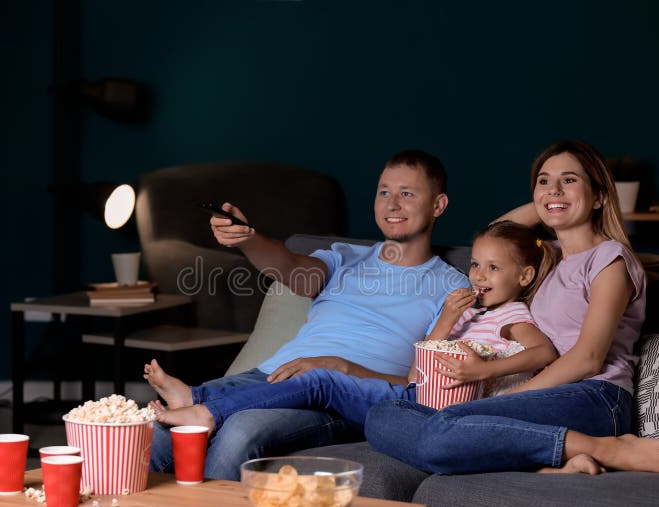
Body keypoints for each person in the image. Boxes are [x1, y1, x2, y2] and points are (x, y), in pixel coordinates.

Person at [365, 140, 659, 476]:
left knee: (447, 427)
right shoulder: (549, 261)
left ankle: (602, 446)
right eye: (544, 181)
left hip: (596, 396)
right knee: (381, 416)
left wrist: (503, 400)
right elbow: (495, 235)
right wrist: (550, 202)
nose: (554, 189)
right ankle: (555, 458)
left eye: (570, 180)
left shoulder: (610, 260)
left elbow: (588, 358)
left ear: (601, 195)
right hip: (549, 396)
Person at [148, 149, 470, 481]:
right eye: (384, 192)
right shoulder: (346, 257)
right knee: (155, 429)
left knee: (242, 430)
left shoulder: (452, 289)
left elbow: (417, 387)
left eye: (407, 194)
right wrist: (249, 238)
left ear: (438, 205)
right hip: (271, 376)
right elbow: (289, 267)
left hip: (337, 399)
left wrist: (338, 366)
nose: (392, 204)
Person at [144, 220, 559, 433]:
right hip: (419, 392)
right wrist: (449, 319)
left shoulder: (511, 317)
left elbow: (544, 353)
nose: (479, 276)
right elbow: (420, 371)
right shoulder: (468, 313)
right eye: (474, 265)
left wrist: (483, 371)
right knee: (300, 375)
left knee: (317, 379)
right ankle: (197, 395)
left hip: (423, 405)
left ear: (523, 277)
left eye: (493, 268)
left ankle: (205, 408)